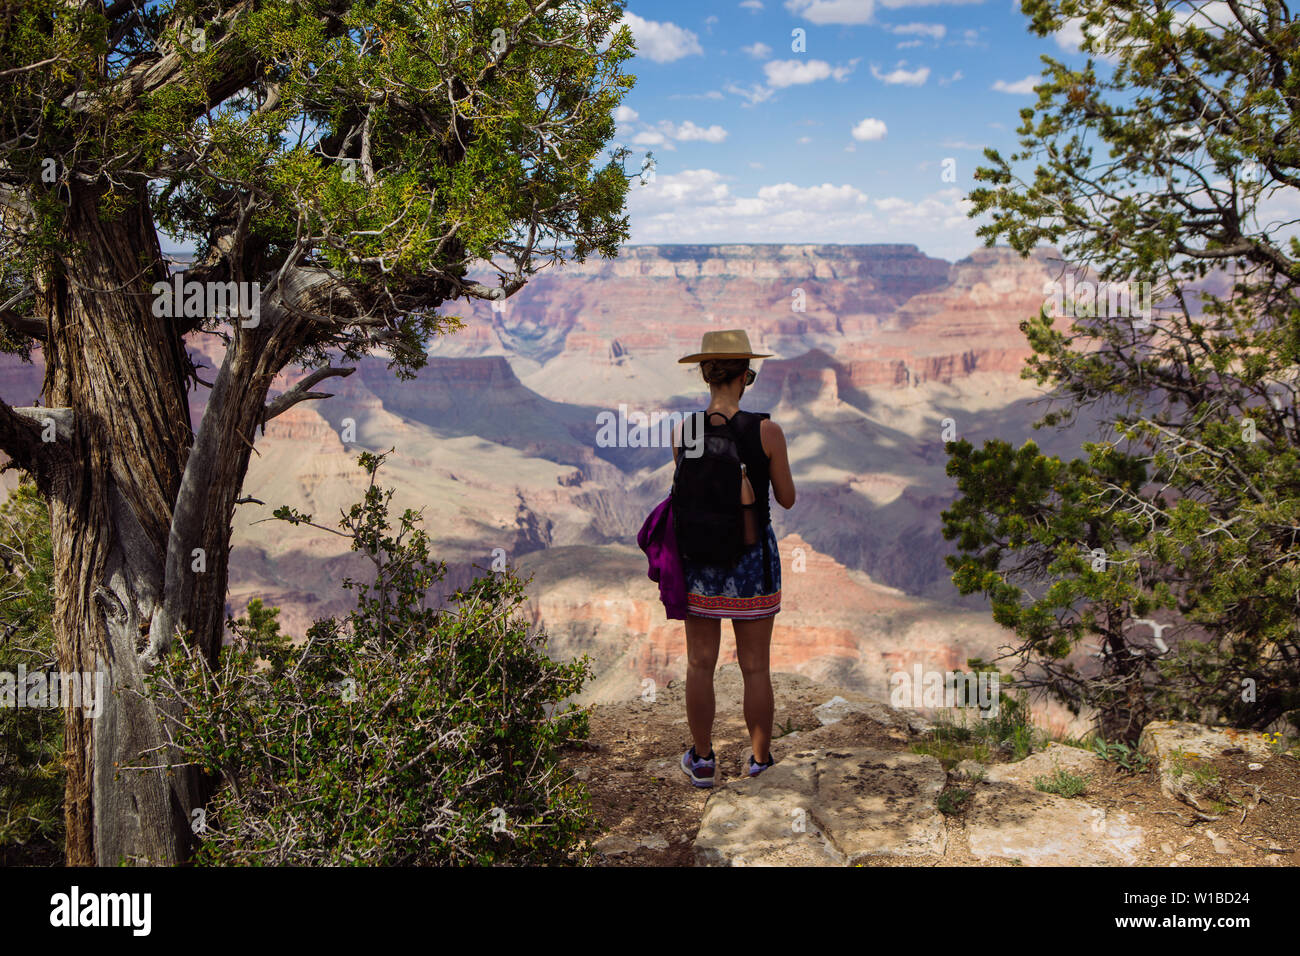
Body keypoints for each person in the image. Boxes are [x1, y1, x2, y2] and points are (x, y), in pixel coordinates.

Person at [671, 330, 796, 788]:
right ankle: (760, 762)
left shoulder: (684, 431)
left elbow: (687, 495)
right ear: (747, 376)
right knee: (755, 667)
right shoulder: (767, 431)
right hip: (751, 563)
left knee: (700, 664)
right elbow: (786, 499)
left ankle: (703, 761)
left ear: (706, 375)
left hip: (700, 563)